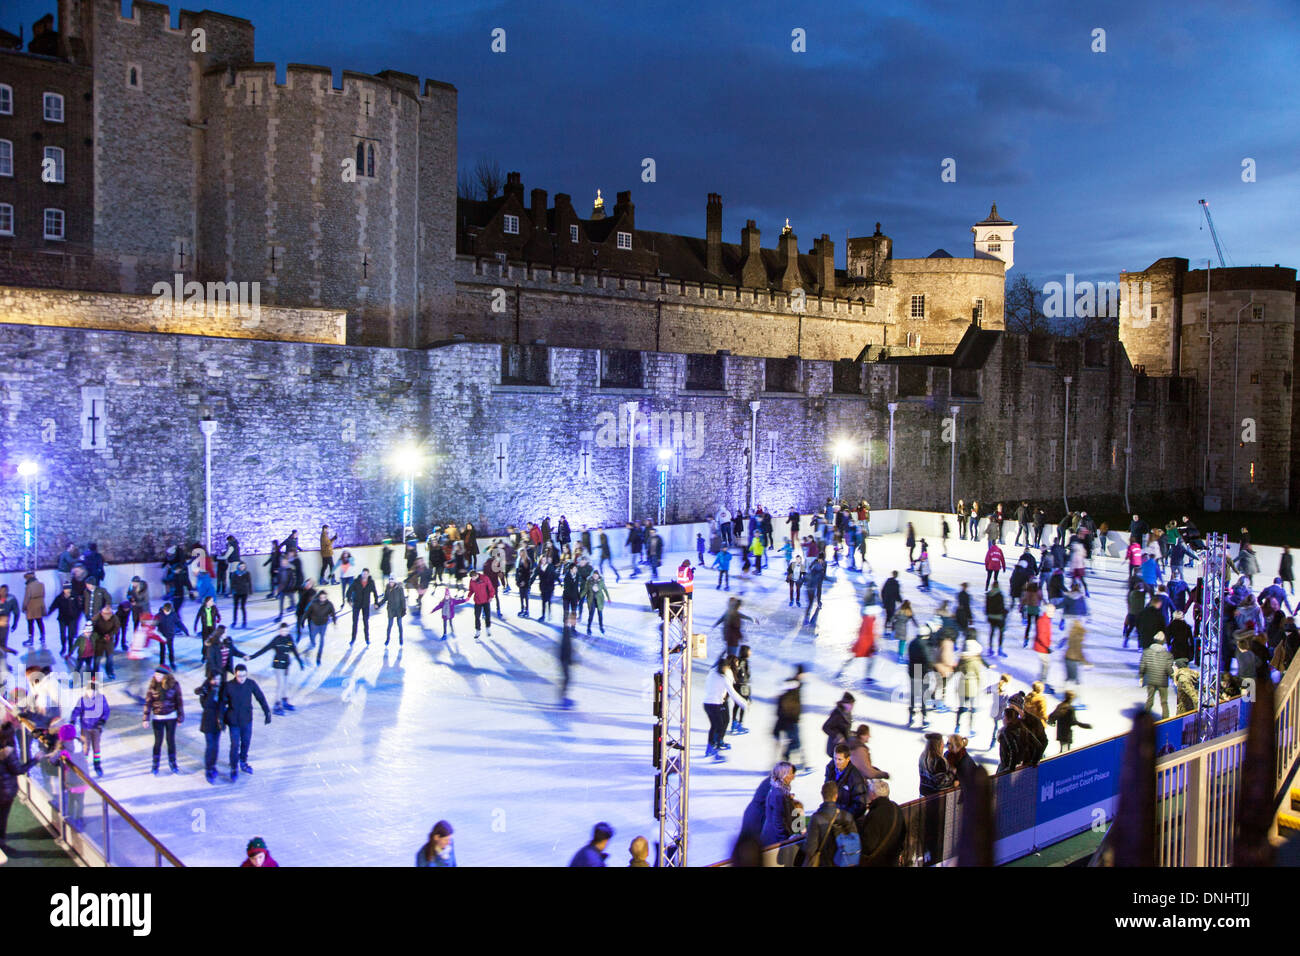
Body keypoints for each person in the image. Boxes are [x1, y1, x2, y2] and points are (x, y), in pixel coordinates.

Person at [222, 664, 272, 781]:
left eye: (244, 676)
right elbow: (222, 703)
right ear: (235, 674)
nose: (241, 678)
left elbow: (260, 697)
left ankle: (243, 761)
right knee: (235, 745)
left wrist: (267, 712)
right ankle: (234, 767)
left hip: (246, 720)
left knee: (246, 743)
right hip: (233, 721)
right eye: (239, 676)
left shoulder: (250, 684)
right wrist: (221, 719)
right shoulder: (229, 686)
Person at [250, 622, 305, 715]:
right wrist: (252, 656)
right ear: (279, 631)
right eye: (283, 630)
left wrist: (300, 662)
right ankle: (277, 704)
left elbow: (294, 650)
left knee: (285, 684)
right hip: (278, 665)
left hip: (286, 665)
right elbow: (265, 649)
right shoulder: (276, 640)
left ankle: (284, 700)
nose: (285, 632)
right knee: (281, 684)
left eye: (286, 630)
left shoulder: (289, 638)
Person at [0, 723, 39, 849]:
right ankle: (1, 842)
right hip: (5, 791)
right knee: (2, 817)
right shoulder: (8, 751)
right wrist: (35, 760)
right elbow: (18, 770)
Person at [801, 780, 855, 867]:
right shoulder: (847, 816)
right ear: (836, 796)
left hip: (825, 862)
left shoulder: (816, 818)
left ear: (822, 795)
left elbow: (810, 849)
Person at [142, 666, 185, 775]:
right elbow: (148, 702)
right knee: (158, 741)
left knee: (170, 741)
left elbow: (179, 701)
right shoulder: (153, 686)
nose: (157, 677)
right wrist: (145, 718)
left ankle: (173, 763)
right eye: (156, 675)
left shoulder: (174, 685)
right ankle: (155, 764)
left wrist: (180, 717)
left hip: (171, 717)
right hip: (158, 718)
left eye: (159, 675)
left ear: (165, 676)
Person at [703, 655, 747, 760]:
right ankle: (714, 751)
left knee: (715, 726)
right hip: (715, 704)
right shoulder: (723, 678)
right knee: (718, 726)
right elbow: (733, 693)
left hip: (707, 703)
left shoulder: (712, 673)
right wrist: (744, 703)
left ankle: (711, 748)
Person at [857, 779, 906, 867]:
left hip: (879, 862)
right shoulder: (896, 808)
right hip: (893, 860)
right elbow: (903, 834)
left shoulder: (875, 814)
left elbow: (868, 846)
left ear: (873, 794)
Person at [760, 763, 802, 850]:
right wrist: (785, 842)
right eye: (790, 773)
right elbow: (778, 821)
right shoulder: (778, 795)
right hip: (775, 841)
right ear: (783, 775)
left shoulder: (781, 791)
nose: (793, 777)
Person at [346, 569, 380, 646]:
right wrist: (349, 600)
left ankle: (367, 639)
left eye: (366, 574)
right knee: (355, 622)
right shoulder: (356, 581)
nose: (364, 575)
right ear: (361, 574)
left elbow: (375, 592)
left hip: (365, 605)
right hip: (356, 604)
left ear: (368, 575)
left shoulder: (371, 582)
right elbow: (349, 591)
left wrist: (376, 602)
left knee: (366, 622)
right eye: (363, 574)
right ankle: (353, 639)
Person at [918, 732, 956, 796]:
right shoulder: (938, 761)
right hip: (935, 797)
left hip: (923, 793)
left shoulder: (923, 756)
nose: (943, 745)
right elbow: (941, 783)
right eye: (942, 743)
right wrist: (952, 773)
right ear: (938, 745)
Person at [822, 692, 855, 758]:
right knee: (836, 765)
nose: (852, 706)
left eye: (852, 704)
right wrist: (838, 736)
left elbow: (844, 728)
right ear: (844, 703)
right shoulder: (837, 714)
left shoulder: (847, 713)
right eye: (850, 704)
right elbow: (825, 727)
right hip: (835, 747)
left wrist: (852, 733)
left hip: (843, 747)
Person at [378, 576, 408, 647]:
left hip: (398, 610)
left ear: (395, 582)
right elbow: (385, 598)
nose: (391, 583)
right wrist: (379, 604)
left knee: (399, 625)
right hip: (391, 609)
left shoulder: (400, 588)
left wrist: (404, 609)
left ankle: (401, 639)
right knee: (389, 625)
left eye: (392, 582)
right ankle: (387, 639)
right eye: (390, 582)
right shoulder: (388, 587)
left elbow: (403, 599)